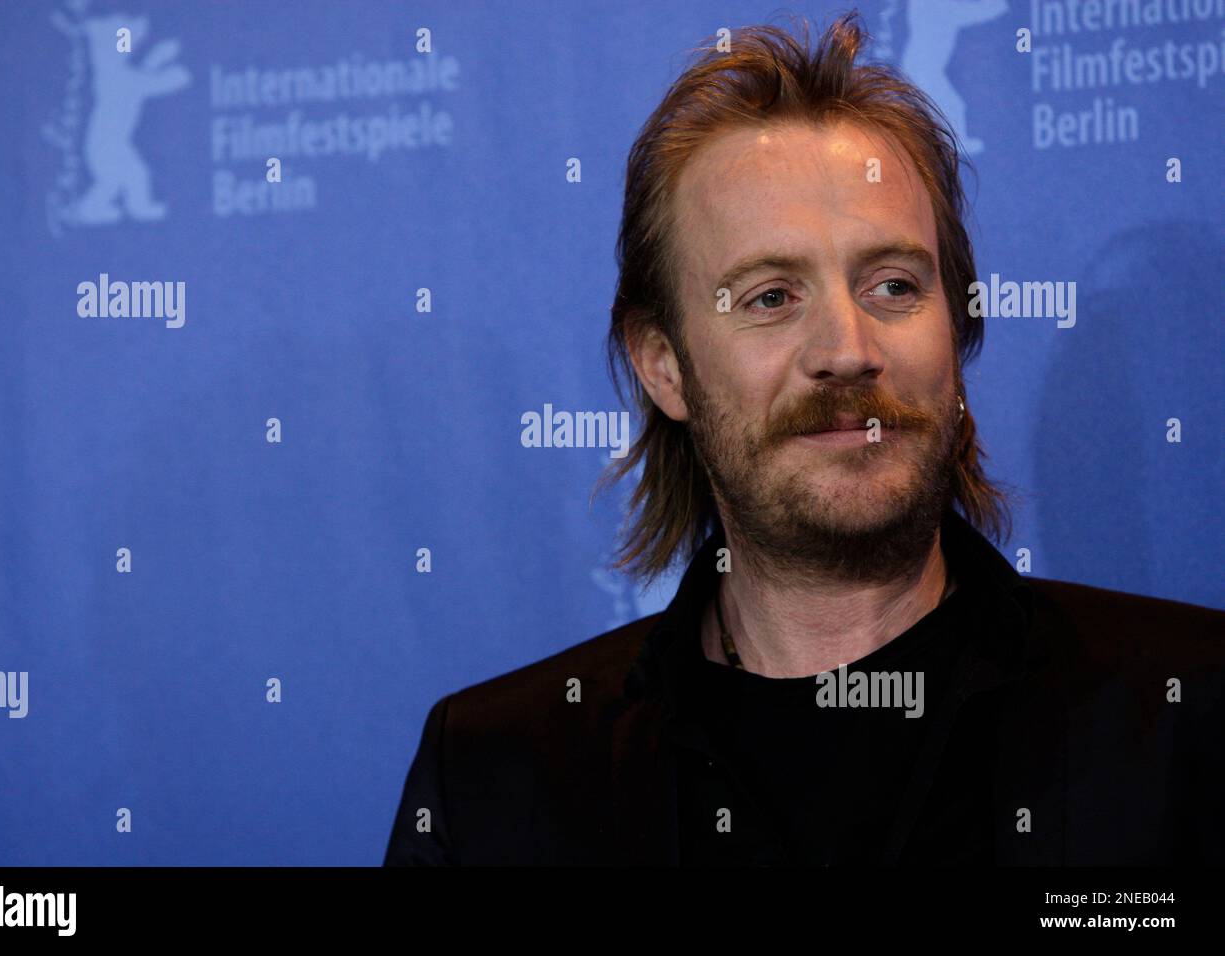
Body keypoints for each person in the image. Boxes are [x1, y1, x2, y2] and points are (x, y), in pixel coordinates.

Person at [383, 13, 1225, 866]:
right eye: (770, 298)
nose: (849, 351)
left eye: (894, 285)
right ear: (665, 367)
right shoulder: (498, 780)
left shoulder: (1189, 718)